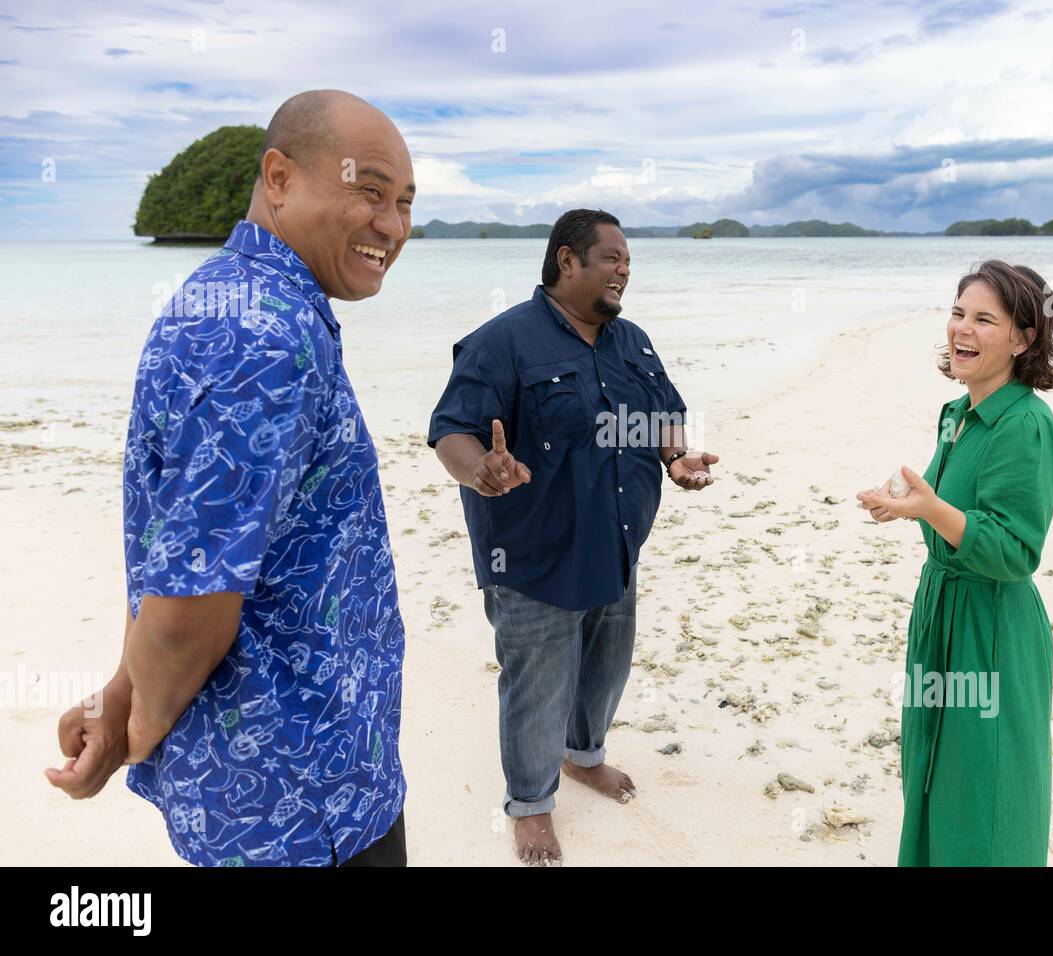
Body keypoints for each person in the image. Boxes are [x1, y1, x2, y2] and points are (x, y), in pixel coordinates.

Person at [45, 90, 417, 867]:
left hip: (301, 787)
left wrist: (122, 693)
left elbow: (182, 545)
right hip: (302, 809)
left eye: (406, 204)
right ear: (278, 177)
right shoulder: (257, 334)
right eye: (370, 191)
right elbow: (185, 610)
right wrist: (136, 723)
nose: (392, 225)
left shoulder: (246, 304)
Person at [428, 209, 719, 865]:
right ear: (567, 260)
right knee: (536, 685)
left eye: (628, 262)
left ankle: (583, 758)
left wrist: (677, 458)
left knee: (605, 668)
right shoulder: (502, 342)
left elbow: (661, 418)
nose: (624, 271)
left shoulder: (632, 342)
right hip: (532, 554)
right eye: (612, 258)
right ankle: (530, 806)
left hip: (616, 544)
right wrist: (483, 471)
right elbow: (451, 429)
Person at [858, 259, 1053, 866]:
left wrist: (929, 511)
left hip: (991, 623)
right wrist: (908, 505)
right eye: (957, 314)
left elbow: (1013, 550)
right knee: (930, 769)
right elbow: (950, 505)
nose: (962, 331)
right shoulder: (959, 413)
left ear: (1024, 338)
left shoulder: (1025, 424)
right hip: (940, 609)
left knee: (987, 785)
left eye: (984, 319)